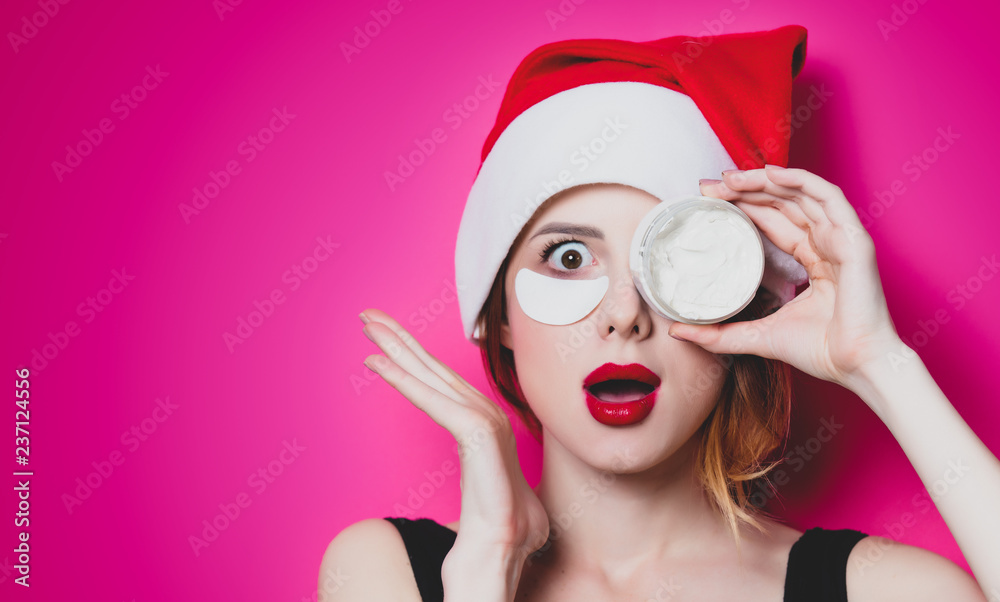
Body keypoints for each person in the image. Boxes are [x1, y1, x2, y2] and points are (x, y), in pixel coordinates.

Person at [320, 25, 998, 601]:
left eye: (673, 264)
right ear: (496, 312)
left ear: (745, 302)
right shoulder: (389, 573)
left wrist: (880, 364)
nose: (624, 315)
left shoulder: (883, 590)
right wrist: (486, 566)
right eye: (566, 259)